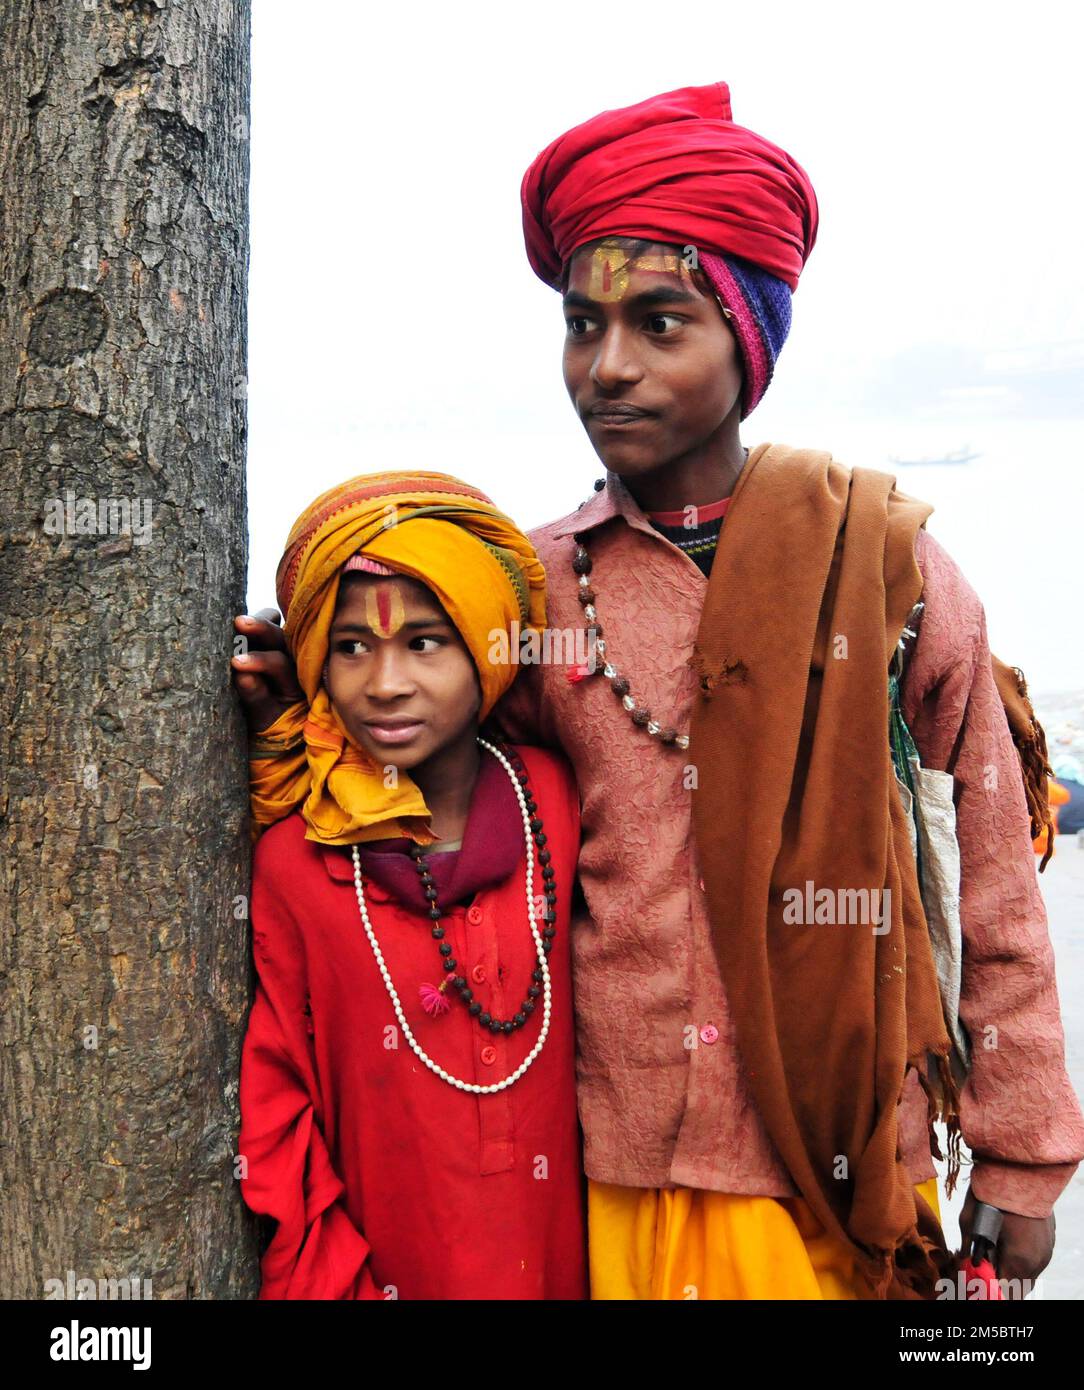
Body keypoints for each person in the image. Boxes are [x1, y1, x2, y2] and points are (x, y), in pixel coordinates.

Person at [234, 82, 1084, 1300]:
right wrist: (302, 714)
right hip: (599, 1177)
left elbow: (992, 869)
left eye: (659, 323)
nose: (608, 367)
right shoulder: (530, 595)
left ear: (750, 340)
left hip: (831, 1158)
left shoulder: (889, 575)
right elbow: (432, 798)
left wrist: (1022, 1150)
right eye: (582, 326)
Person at [235, 472, 587, 1300]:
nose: (384, 682)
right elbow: (278, 1116)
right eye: (351, 647)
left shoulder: (562, 808)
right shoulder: (299, 861)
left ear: (489, 651)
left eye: (424, 642)